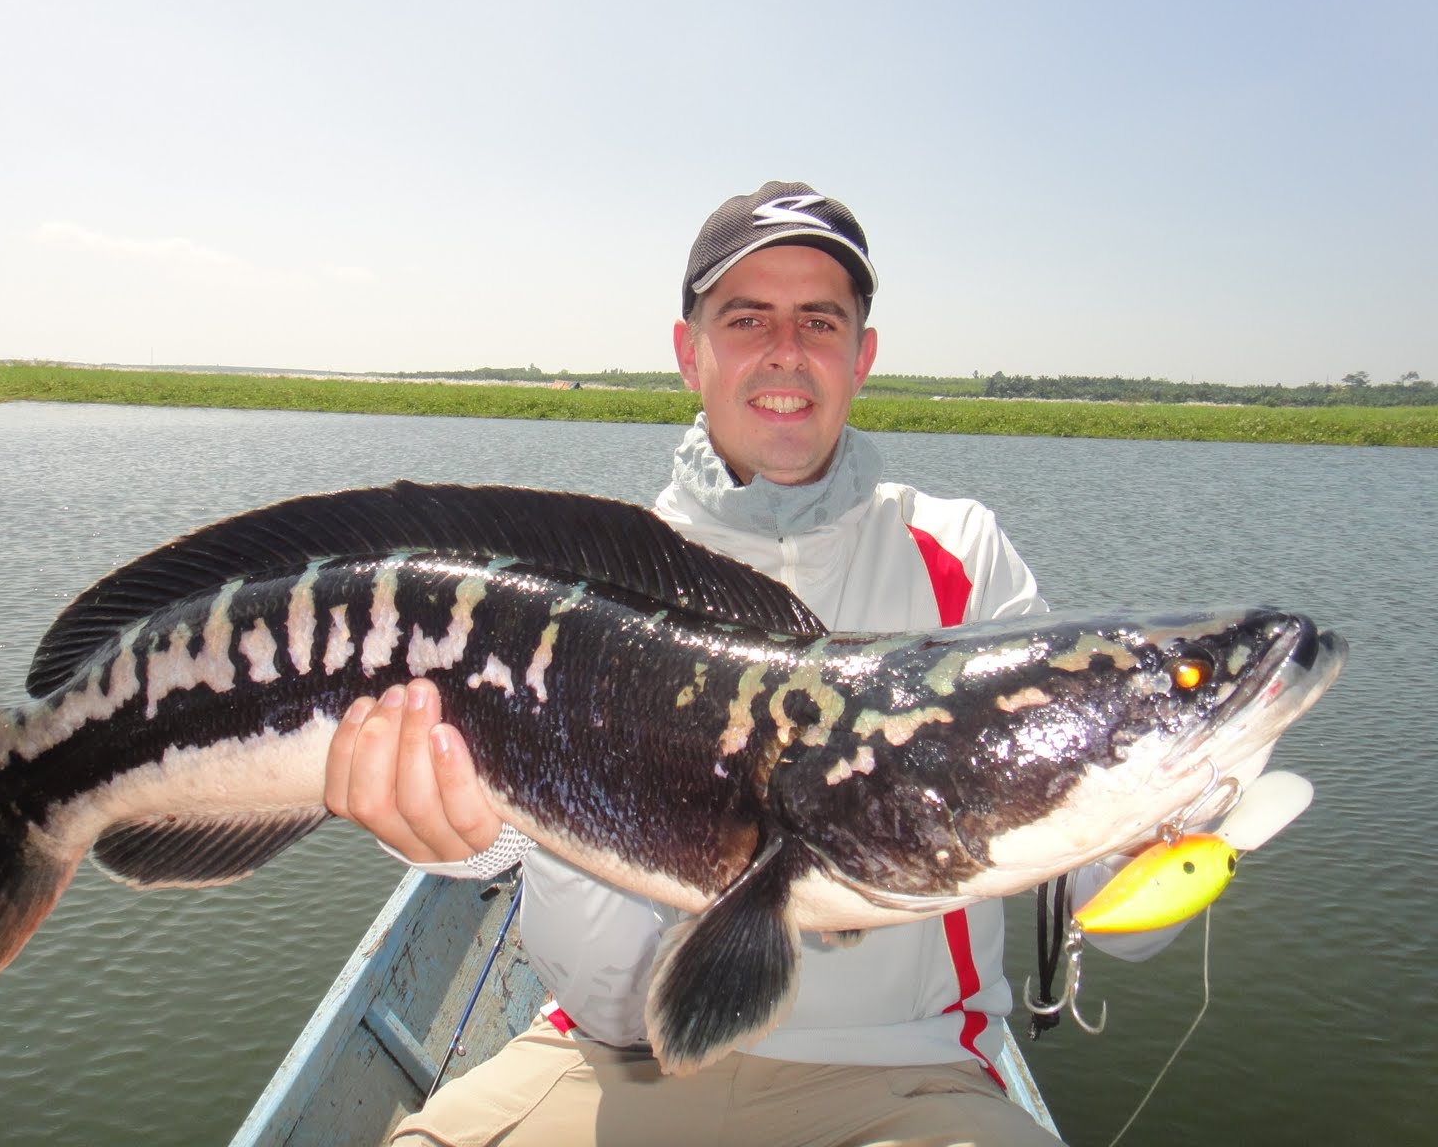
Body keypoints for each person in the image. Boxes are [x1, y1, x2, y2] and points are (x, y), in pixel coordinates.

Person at [324, 181, 1068, 1145]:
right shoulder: (593, 583)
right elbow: (555, 905)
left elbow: (1071, 811)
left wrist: (1176, 835)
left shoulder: (960, 557)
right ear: (690, 353)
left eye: (820, 320)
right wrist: (465, 837)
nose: (785, 350)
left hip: (904, 1075)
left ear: (862, 356)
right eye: (747, 318)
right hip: (605, 1062)